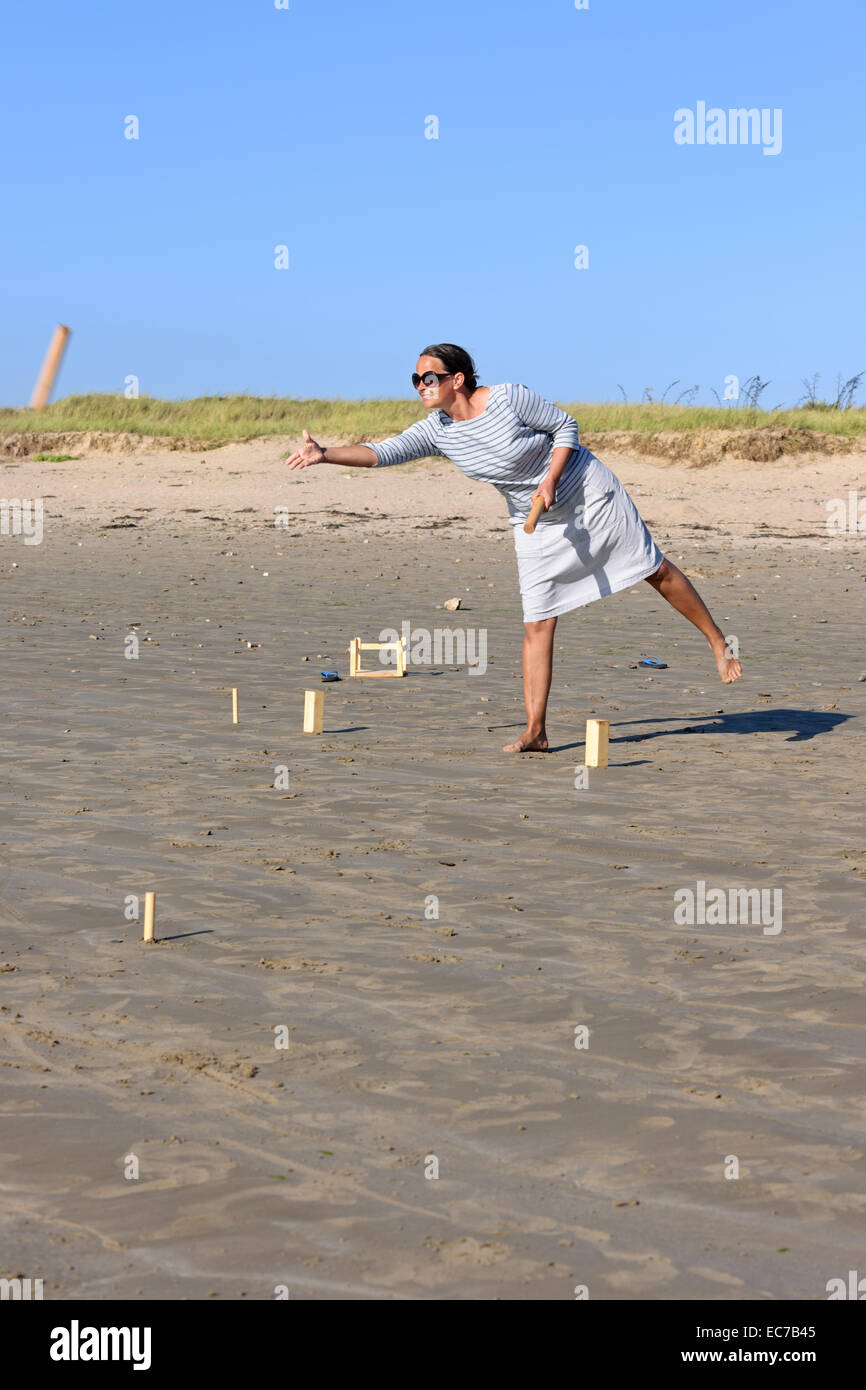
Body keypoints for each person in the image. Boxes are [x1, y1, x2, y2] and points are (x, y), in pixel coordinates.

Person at [286, 343, 742, 753]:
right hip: (535, 522)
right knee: (537, 621)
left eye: (428, 377)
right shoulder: (438, 431)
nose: (420, 386)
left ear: (457, 379)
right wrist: (324, 454)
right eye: (416, 379)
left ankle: (718, 643)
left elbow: (566, 426)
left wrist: (550, 478)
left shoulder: (507, 398)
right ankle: (536, 731)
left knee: (651, 569)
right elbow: (381, 452)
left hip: (585, 491)